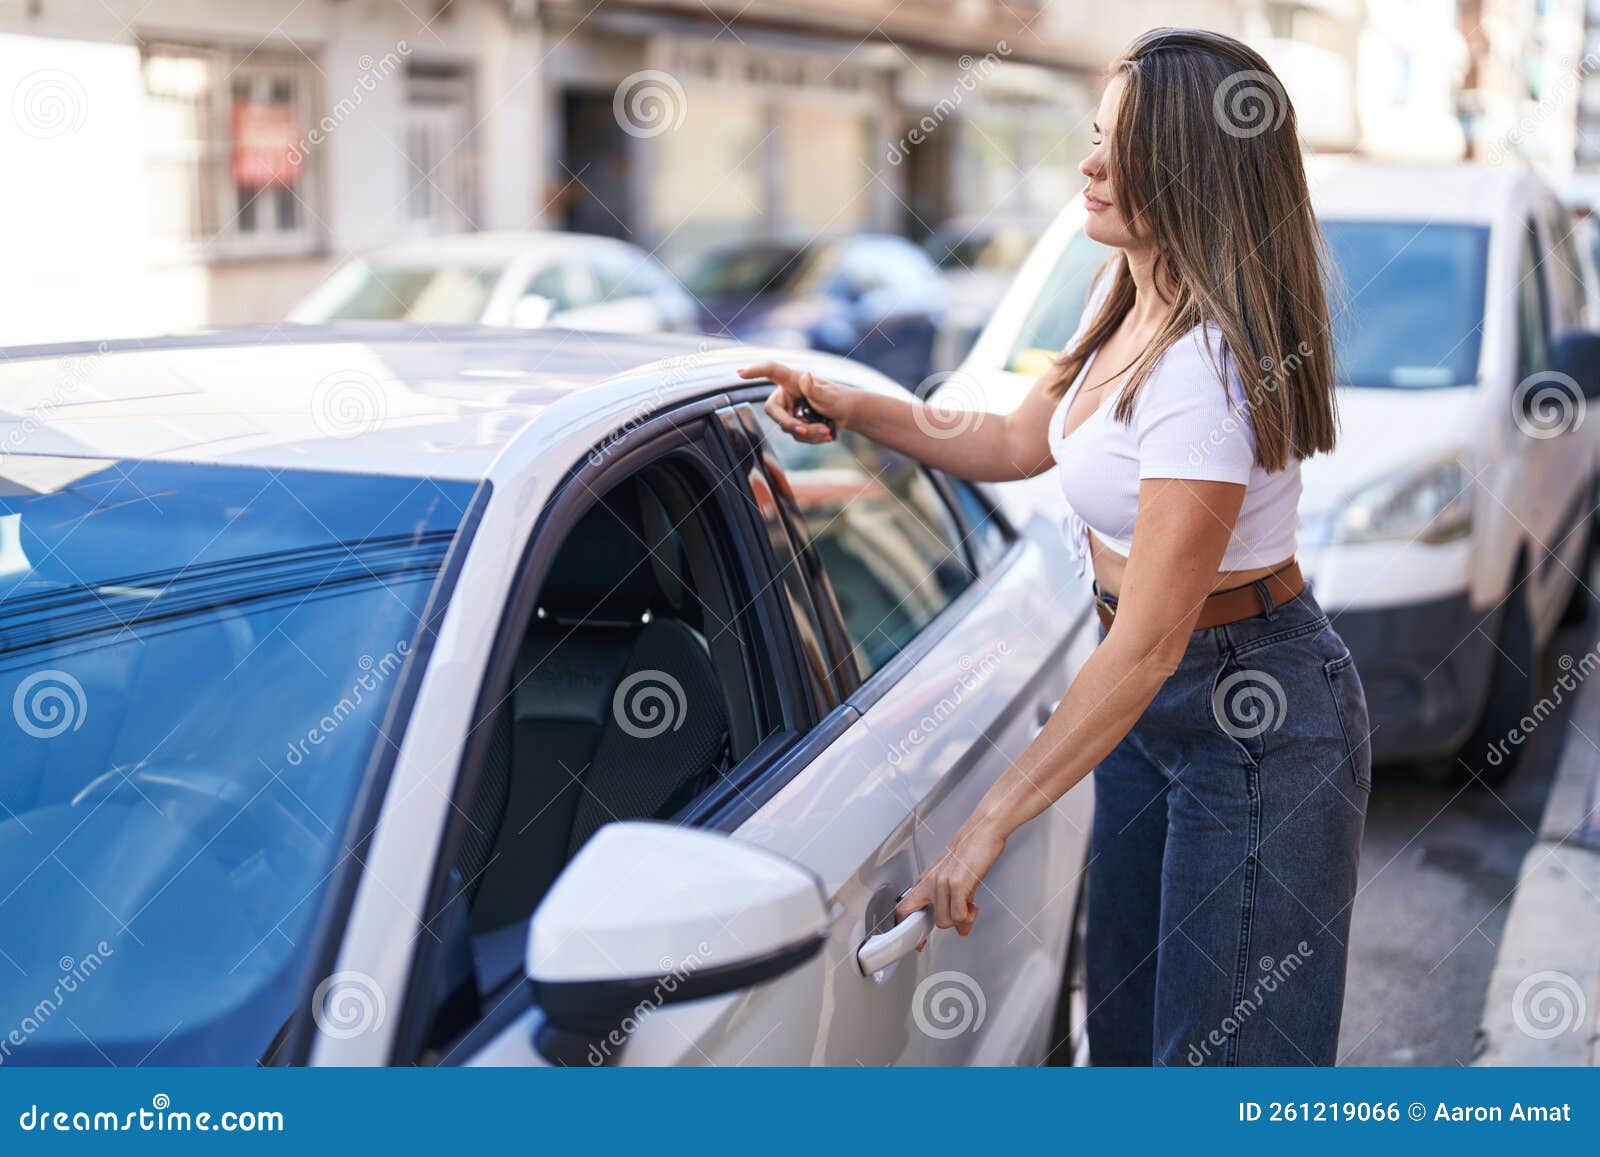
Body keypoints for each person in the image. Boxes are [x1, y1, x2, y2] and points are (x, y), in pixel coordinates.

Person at [737, 27, 1370, 1067]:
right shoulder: (1123, 294)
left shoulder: (1206, 371)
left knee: (1218, 1075)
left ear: (1191, 169)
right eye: (1094, 136)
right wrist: (849, 400)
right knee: (1122, 1042)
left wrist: (985, 823)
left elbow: (1152, 641)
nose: (1088, 164)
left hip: (1251, 713)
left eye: (1120, 148)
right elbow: (1007, 440)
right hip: (1150, 705)